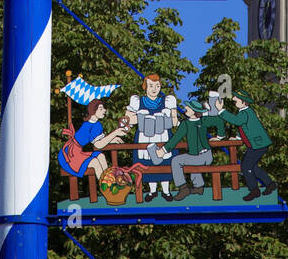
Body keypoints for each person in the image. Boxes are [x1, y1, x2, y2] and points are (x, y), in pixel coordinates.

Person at [212, 93, 277, 202]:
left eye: (236, 100)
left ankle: (254, 190)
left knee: (246, 167)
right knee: (252, 167)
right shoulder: (245, 112)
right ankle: (270, 184)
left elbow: (236, 121)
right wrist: (238, 137)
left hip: (258, 145)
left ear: (244, 102)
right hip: (257, 145)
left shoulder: (245, 113)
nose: (234, 102)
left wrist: (221, 110)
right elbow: (245, 127)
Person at [154, 100, 223, 202]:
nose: (185, 108)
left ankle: (183, 188)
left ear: (194, 111)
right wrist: (220, 136)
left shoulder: (189, 123)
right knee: (191, 161)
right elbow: (219, 121)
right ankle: (198, 187)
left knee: (176, 161)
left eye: (188, 107)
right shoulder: (200, 121)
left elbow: (175, 139)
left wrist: (163, 150)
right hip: (206, 156)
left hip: (201, 157)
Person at [125, 73, 178, 201]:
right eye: (151, 86)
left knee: (165, 162)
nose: (154, 89)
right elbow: (128, 119)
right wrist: (141, 119)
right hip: (145, 136)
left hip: (163, 135)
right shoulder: (138, 101)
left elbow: (175, 121)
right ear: (145, 87)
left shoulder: (167, 101)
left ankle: (166, 191)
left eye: (157, 86)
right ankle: (152, 191)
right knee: (147, 163)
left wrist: (168, 118)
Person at [58, 99, 126, 181]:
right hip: (70, 155)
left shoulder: (96, 124)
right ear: (93, 110)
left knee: (101, 156)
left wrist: (111, 139)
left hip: (79, 151)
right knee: (95, 162)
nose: (104, 110)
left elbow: (98, 139)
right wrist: (114, 133)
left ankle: (109, 181)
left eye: (103, 108)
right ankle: (105, 185)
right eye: (101, 108)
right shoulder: (90, 125)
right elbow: (98, 144)